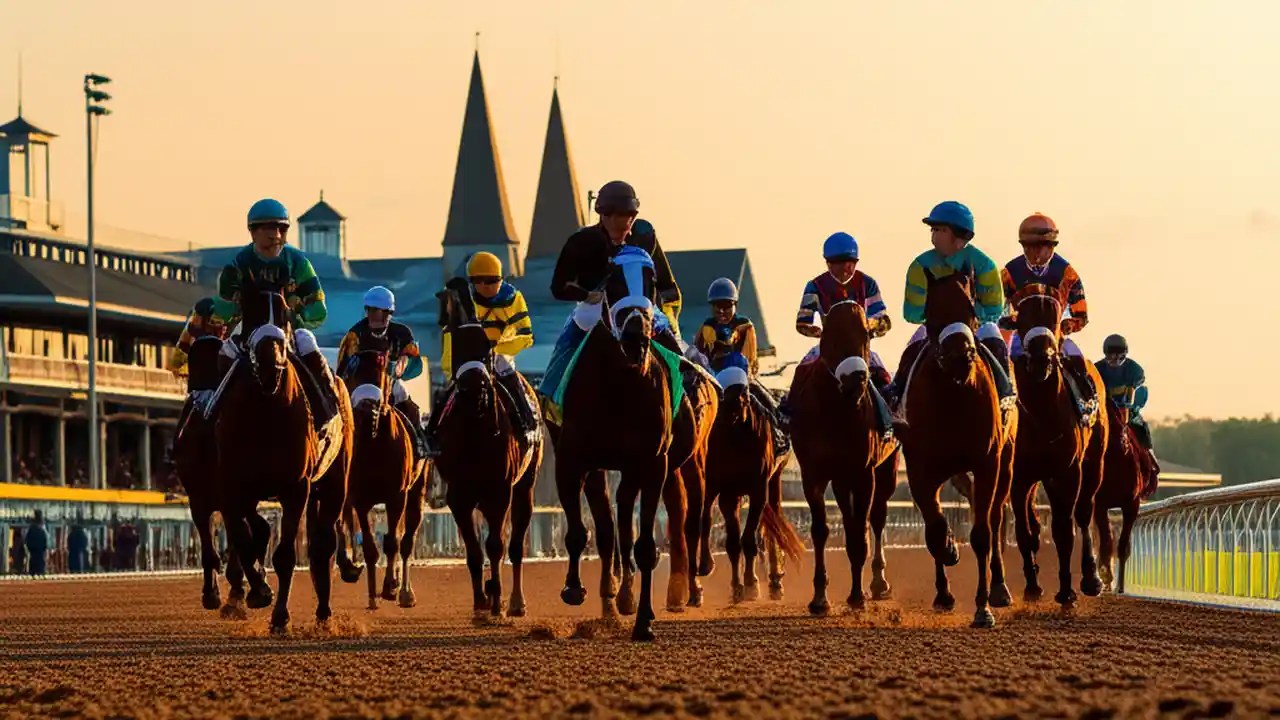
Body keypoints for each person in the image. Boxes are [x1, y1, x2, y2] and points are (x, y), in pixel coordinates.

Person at [540, 181, 685, 402]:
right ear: (603, 216)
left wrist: (667, 321)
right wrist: (586, 295)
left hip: (643, 309)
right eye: (618, 224)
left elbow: (668, 288)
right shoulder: (581, 242)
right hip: (595, 308)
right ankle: (548, 395)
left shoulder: (645, 236)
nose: (624, 230)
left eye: (629, 222)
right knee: (570, 338)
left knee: (684, 360)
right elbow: (558, 288)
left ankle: (691, 391)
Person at [210, 198, 340, 429]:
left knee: (309, 344)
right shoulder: (237, 265)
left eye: (281, 228)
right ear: (253, 232)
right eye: (268, 228)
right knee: (223, 354)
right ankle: (209, 411)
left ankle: (328, 409)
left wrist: (297, 316)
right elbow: (223, 308)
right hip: (249, 337)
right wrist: (229, 317)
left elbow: (318, 308)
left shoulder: (298, 263)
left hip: (289, 334)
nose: (275, 235)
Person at [892, 201, 1014, 413]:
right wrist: (940, 316)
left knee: (992, 334)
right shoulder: (920, 265)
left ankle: (1005, 391)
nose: (934, 236)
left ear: (959, 235)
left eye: (940, 230)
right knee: (916, 341)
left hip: (976, 326)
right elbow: (911, 312)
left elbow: (994, 309)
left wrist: (966, 316)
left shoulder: (983, 264)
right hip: (935, 326)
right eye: (933, 230)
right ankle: (896, 395)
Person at [424, 252, 538, 456]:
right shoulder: (462, 300)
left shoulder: (513, 298)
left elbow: (526, 335)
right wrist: (450, 369)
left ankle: (526, 422)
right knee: (447, 392)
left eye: (492, 281)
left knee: (509, 377)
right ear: (471, 282)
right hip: (469, 357)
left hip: (500, 352)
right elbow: (451, 338)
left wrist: (496, 348)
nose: (486, 285)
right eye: (479, 281)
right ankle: (432, 434)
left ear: (501, 280)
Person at [792, 232, 895, 438]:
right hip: (828, 346)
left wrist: (868, 326)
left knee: (881, 375)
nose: (845, 269)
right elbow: (802, 321)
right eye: (837, 263)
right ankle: (788, 415)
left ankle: (888, 421)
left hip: (860, 348)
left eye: (849, 263)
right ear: (828, 263)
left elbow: (883, 319)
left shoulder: (868, 283)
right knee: (802, 371)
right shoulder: (815, 285)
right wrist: (819, 332)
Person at [999, 213, 1097, 422]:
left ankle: (1086, 402)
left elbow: (1081, 313)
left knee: (1077, 358)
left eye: (1042, 246)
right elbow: (998, 309)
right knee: (1001, 361)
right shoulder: (1009, 272)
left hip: (1055, 337)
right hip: (1020, 337)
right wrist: (1009, 321)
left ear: (1052, 246)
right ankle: (1000, 403)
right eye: (1029, 245)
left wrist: (1067, 326)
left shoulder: (1067, 273)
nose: (1035, 252)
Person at [694, 277, 788, 452]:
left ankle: (777, 426)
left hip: (740, 372)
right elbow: (700, 353)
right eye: (717, 306)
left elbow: (749, 356)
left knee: (758, 393)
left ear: (735, 305)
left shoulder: (744, 325)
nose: (722, 311)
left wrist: (747, 373)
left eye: (727, 305)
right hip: (714, 375)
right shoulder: (706, 327)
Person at [336, 286, 429, 456]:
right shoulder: (355, 334)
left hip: (389, 381)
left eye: (377, 311)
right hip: (360, 383)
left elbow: (415, 366)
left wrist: (401, 365)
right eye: (370, 310)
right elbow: (342, 368)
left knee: (402, 393)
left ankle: (418, 443)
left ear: (388, 313)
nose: (372, 315)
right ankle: (336, 445)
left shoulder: (402, 333)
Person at [1095, 334, 1160, 472]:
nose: (1115, 359)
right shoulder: (1097, 369)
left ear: (1125, 353)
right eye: (1111, 355)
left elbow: (1131, 396)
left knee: (1141, 426)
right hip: (1104, 410)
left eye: (1119, 355)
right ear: (1106, 353)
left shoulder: (1135, 369)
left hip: (1128, 409)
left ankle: (1149, 455)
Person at [166, 297, 230, 378]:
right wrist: (177, 365)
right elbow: (183, 347)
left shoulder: (220, 336)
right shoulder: (192, 329)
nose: (195, 322)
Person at [24, 511, 48, 577]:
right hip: (40, 558)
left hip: (33, 558)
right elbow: (45, 545)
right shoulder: (42, 531)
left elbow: (27, 543)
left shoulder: (31, 530)